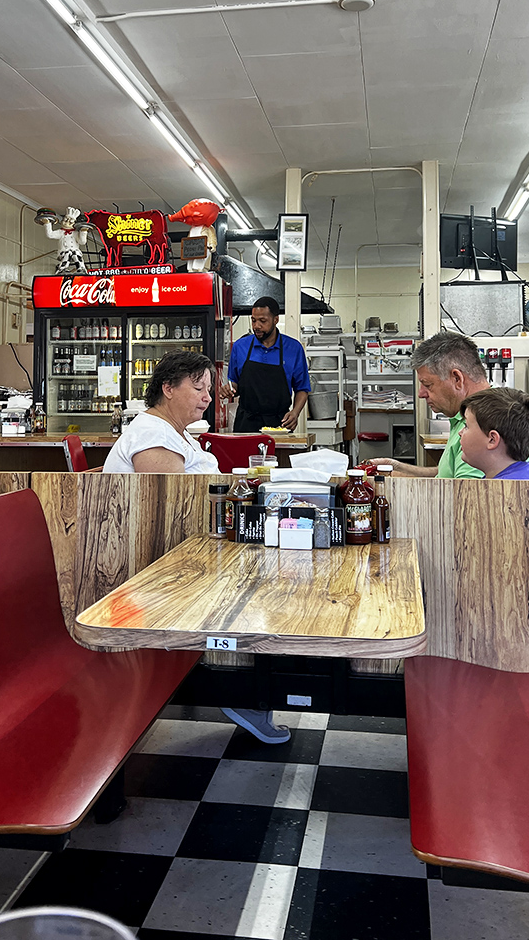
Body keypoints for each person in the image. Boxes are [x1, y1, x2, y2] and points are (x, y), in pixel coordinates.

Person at [103, 351, 290, 744]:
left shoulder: (174, 432)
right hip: (157, 563)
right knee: (263, 582)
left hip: (189, 549)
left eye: (209, 389)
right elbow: (169, 509)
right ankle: (239, 688)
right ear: (168, 389)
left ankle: (250, 686)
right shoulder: (152, 435)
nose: (207, 397)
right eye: (198, 388)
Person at [370, 332, 529, 479]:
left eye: (428, 385)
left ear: (457, 379)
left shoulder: (486, 424)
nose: (421, 394)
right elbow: (448, 474)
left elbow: (463, 494)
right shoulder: (467, 419)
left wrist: (389, 481)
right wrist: (396, 468)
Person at [221, 296, 310, 432]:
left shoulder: (293, 348)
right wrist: (229, 389)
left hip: (280, 424)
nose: (256, 326)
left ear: (275, 320)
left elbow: (302, 388)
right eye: (253, 320)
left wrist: (295, 413)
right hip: (246, 423)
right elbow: (235, 383)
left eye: (263, 321)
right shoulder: (240, 347)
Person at [458, 387, 529, 479]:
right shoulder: (522, 475)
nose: (460, 432)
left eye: (466, 426)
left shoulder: (508, 486)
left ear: (492, 439)